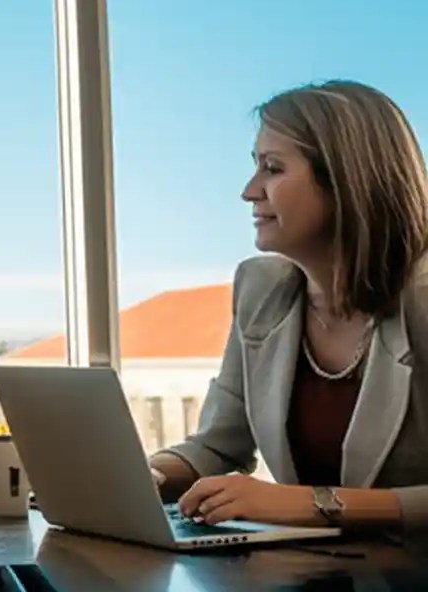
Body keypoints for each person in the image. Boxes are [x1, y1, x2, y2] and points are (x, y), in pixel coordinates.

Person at [148, 80, 428, 539]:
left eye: (272, 169)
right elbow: (219, 445)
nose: (249, 191)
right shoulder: (260, 288)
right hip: (323, 571)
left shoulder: (421, 295)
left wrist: (315, 503)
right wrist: (148, 476)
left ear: (345, 180)